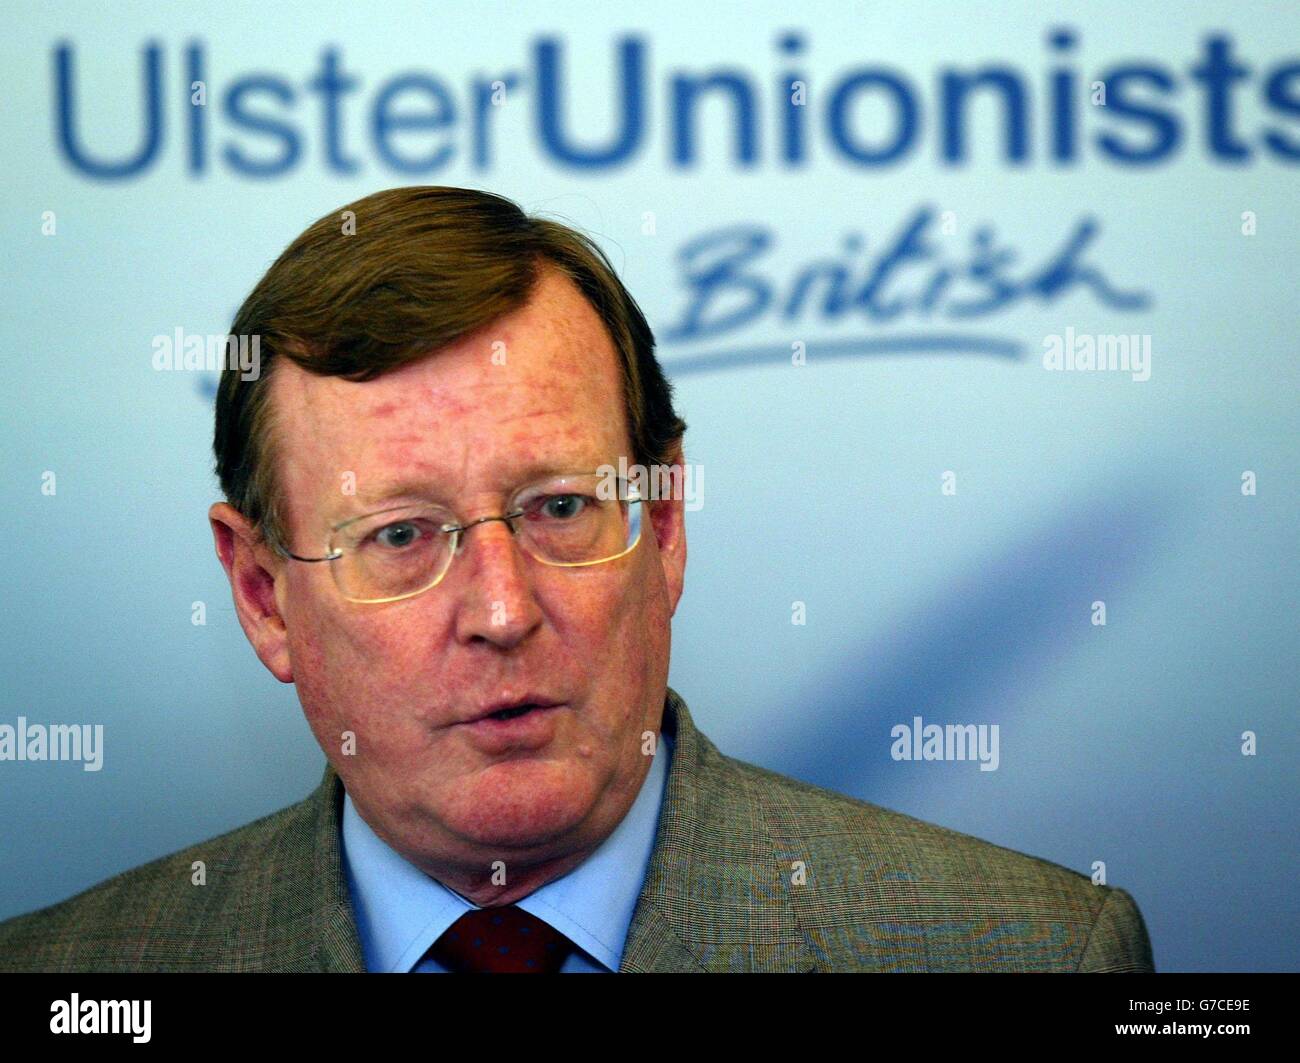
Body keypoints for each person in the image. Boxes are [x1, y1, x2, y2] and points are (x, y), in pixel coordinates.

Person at [0, 186, 1154, 972]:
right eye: (401, 536)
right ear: (263, 595)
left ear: (663, 525)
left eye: (561, 509)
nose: (502, 611)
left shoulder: (1033, 953)